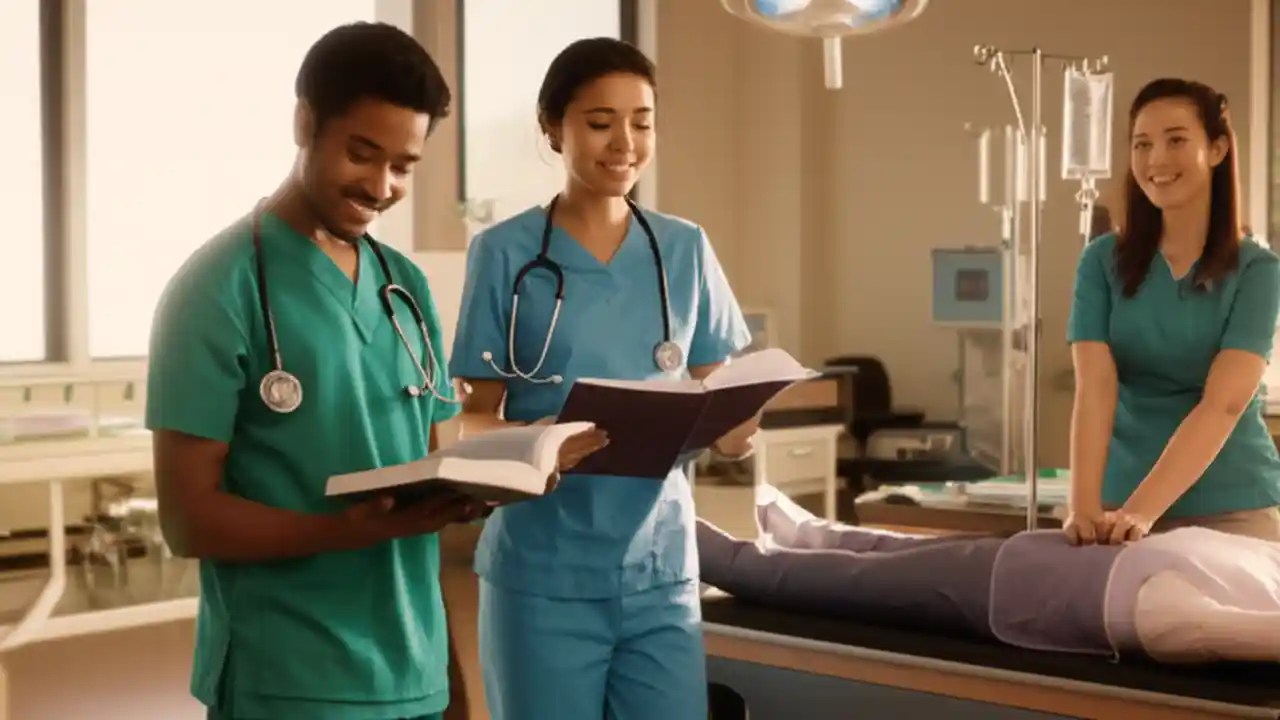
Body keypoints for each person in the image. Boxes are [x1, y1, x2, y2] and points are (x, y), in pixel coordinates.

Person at [146, 22, 486, 720]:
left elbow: (421, 484)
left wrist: (452, 690)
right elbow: (189, 519)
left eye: (404, 166)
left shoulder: (406, 287)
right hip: (288, 681)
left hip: (415, 677)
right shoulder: (216, 288)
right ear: (306, 122)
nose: (382, 185)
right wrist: (350, 529)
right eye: (362, 153)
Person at [448, 37, 757, 720]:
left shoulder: (684, 249)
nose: (624, 142)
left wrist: (741, 425)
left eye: (642, 122)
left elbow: (722, 395)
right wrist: (538, 442)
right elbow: (473, 419)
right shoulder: (504, 254)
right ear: (552, 128)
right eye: (599, 122)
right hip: (542, 572)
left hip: (662, 573)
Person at [698, 487, 1280, 665]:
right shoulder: (1264, 568)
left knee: (860, 580)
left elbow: (1177, 628)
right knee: (884, 559)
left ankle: (718, 555)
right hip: (1047, 562)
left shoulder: (1196, 609)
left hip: (1025, 591)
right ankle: (806, 534)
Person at [1066, 77, 1280, 546]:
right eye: (1142, 144)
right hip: (1117, 506)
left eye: (1176, 140)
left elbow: (1223, 404)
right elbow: (1095, 388)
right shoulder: (1101, 262)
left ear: (1218, 149)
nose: (1156, 160)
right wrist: (1083, 509)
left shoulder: (1257, 270)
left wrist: (1142, 512)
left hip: (1233, 506)